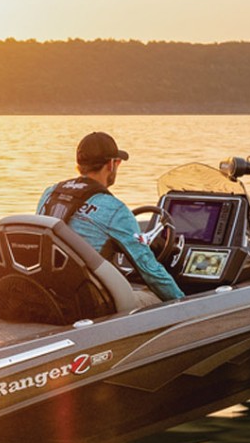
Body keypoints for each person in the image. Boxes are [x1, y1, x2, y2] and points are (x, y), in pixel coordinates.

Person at [37, 131, 184, 310]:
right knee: (155, 295)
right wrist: (185, 303)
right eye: (118, 162)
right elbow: (150, 270)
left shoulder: (50, 193)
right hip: (84, 302)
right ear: (111, 165)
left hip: (48, 293)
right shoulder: (115, 210)